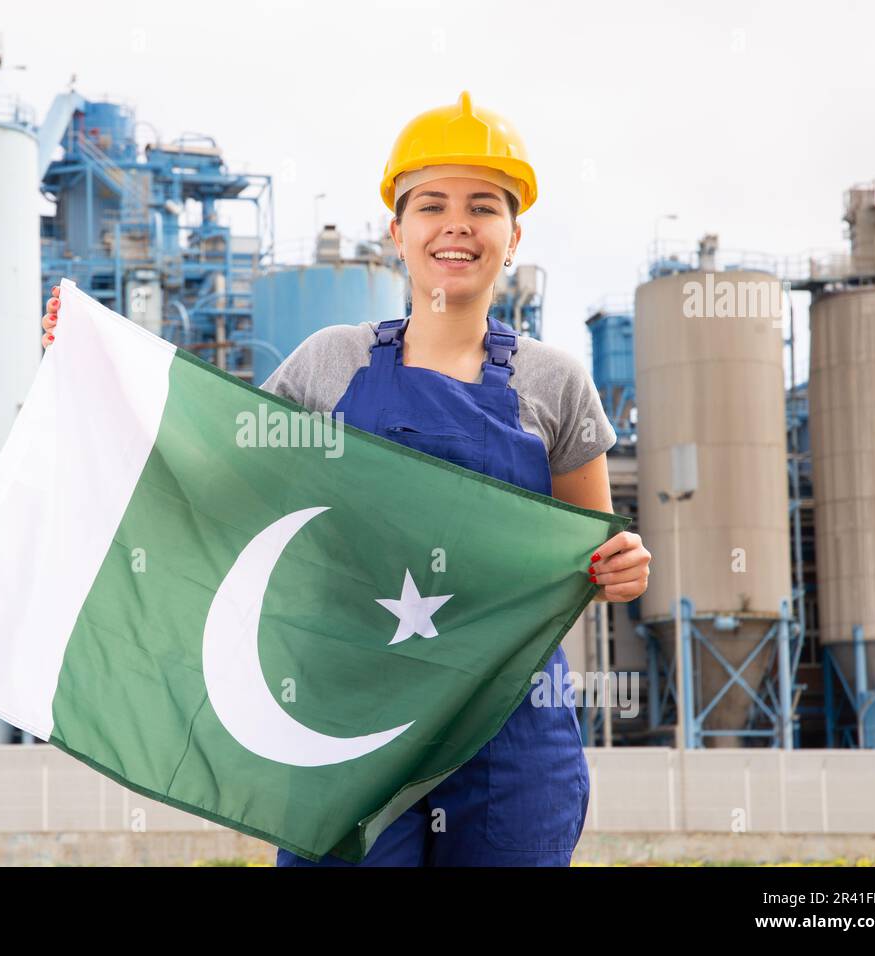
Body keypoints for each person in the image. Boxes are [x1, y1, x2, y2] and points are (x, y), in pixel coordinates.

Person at [40, 91, 651, 866]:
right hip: (343, 718)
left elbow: (593, 555)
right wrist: (97, 366)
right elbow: (213, 479)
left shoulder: (557, 382)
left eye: (483, 206)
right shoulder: (330, 362)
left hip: (509, 723)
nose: (456, 224)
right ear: (397, 232)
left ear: (514, 234)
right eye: (430, 204)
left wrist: (622, 569)